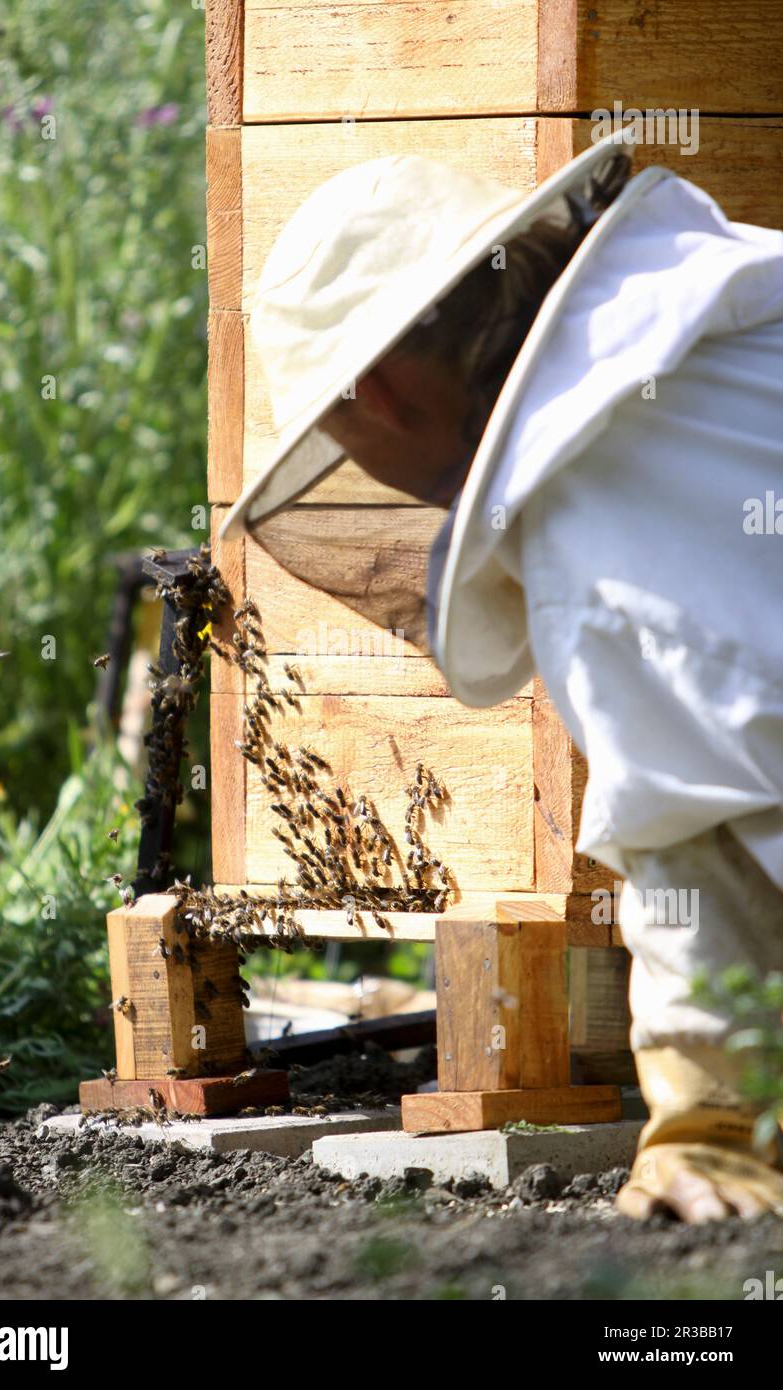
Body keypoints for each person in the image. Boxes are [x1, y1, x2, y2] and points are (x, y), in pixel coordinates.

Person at [221, 134, 783, 1223]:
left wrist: (713, 1121)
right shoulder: (730, 293)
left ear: (376, 394)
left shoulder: (593, 529)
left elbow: (697, 827)